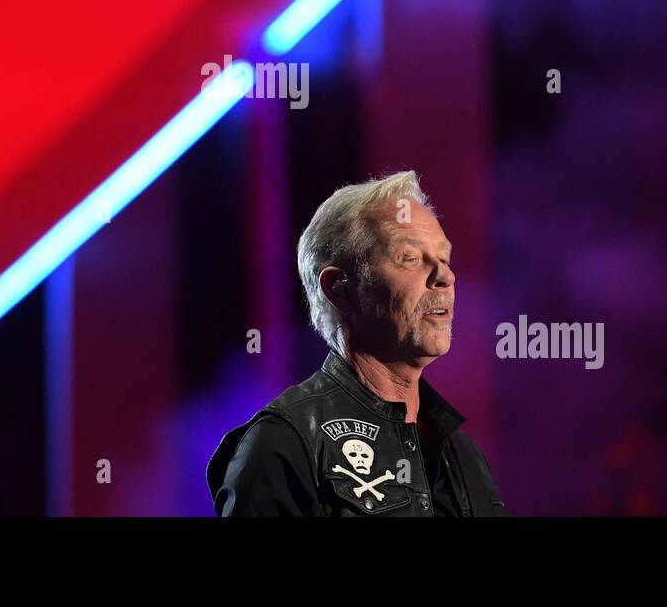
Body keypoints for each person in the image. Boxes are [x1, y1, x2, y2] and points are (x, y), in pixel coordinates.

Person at [207, 170, 507, 516]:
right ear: (338, 287)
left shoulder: (463, 455)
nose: (445, 276)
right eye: (410, 258)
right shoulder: (283, 444)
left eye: (445, 259)